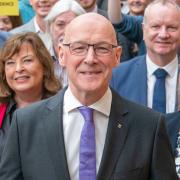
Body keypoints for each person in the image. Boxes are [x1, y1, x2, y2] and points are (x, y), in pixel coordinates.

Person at [0, 12, 178, 180]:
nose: (90, 58)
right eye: (79, 48)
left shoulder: (149, 126)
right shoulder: (25, 123)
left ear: (117, 56)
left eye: (102, 48)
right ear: (62, 55)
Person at [110, 0, 180, 113]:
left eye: (171, 27)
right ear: (143, 30)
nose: (163, 35)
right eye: (155, 27)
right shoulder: (117, 76)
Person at [0, 32, 61, 160]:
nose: (18, 69)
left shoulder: (62, 108)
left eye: (27, 60)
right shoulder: (1, 109)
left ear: (44, 66)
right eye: (10, 63)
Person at [45, 0, 85, 86]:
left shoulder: (90, 59)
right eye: (60, 24)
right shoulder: (40, 57)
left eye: (73, 24)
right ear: (50, 26)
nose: (66, 31)